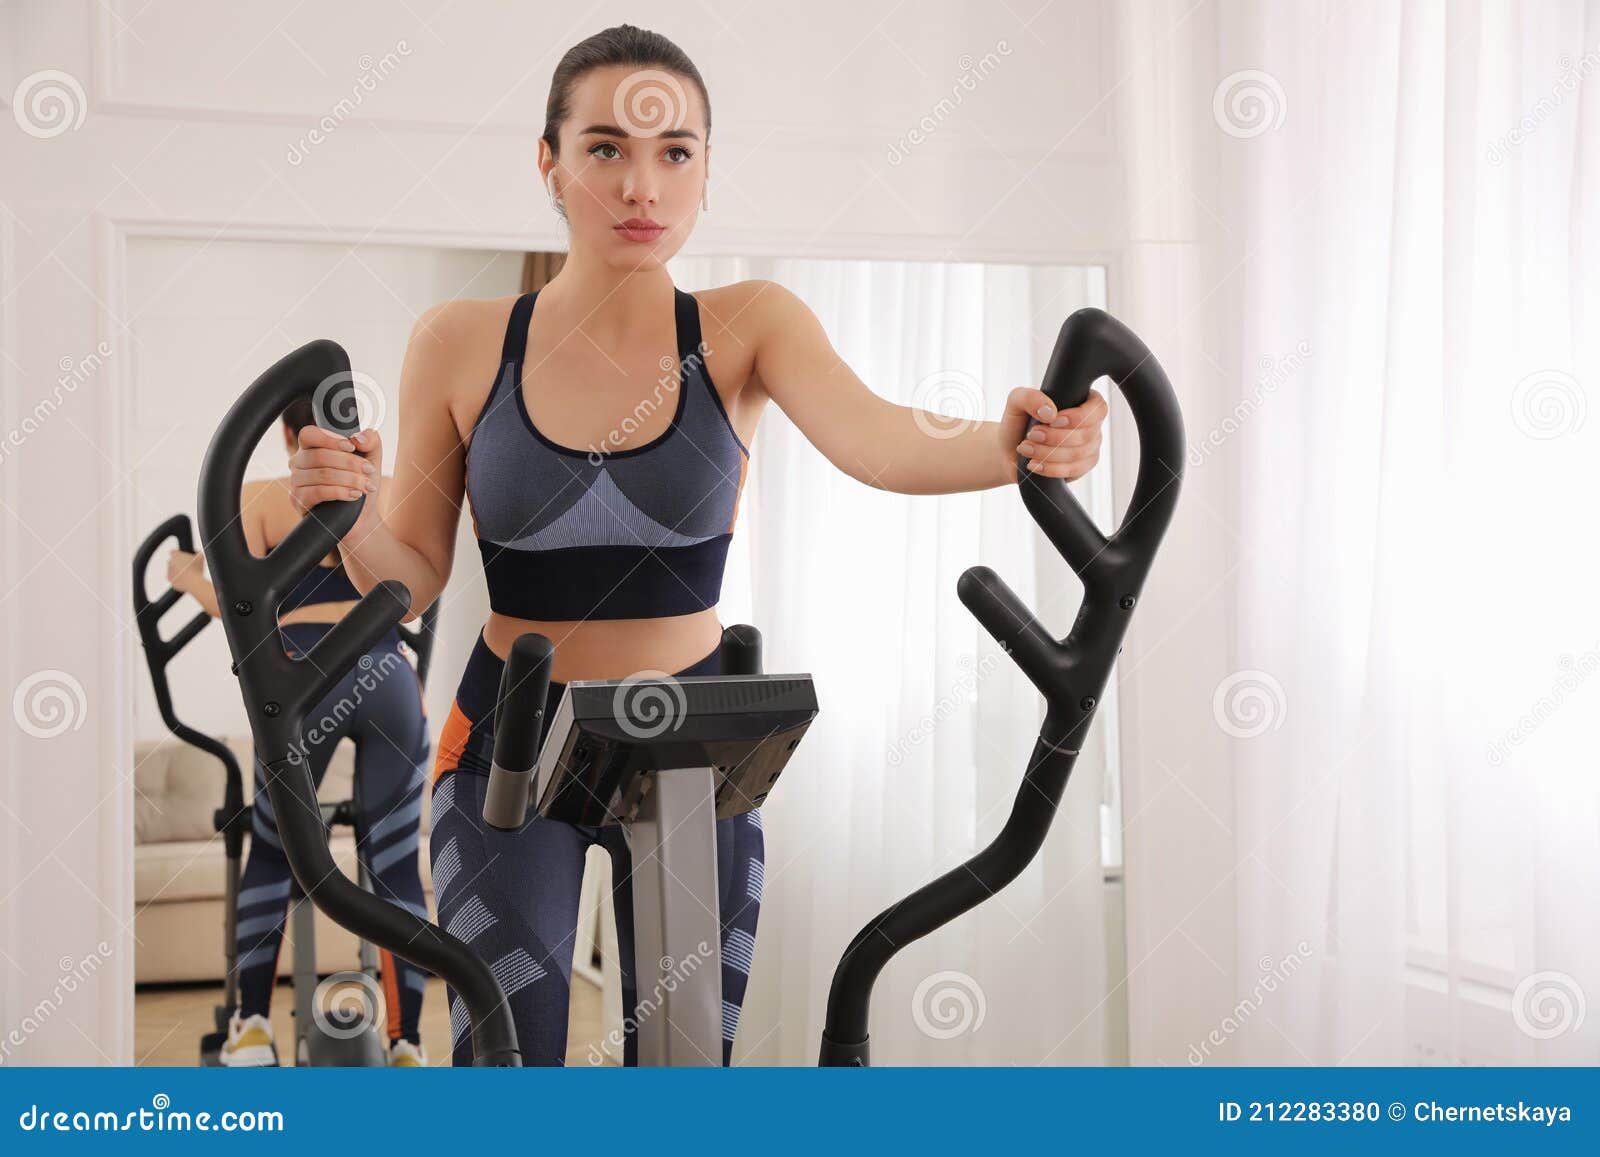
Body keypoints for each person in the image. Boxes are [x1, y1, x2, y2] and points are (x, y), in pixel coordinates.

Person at [287, 24, 1107, 1067]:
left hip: (695, 737)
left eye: (675, 152)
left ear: (707, 172)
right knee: (506, 1064)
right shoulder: (457, 339)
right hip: (506, 730)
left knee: (683, 1071)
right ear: (548, 163)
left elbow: (882, 437)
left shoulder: (746, 324)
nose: (643, 184)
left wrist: (1017, 442)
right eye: (603, 149)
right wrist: (342, 506)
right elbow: (412, 570)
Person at [168, 393, 433, 1067]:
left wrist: (181, 576)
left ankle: (252, 1027)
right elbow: (419, 587)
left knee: (272, 848)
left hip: (301, 685)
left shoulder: (257, 497)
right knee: (396, 859)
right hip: (389, 677)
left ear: (289, 433)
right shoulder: (393, 491)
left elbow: (239, 611)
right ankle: (405, 1041)